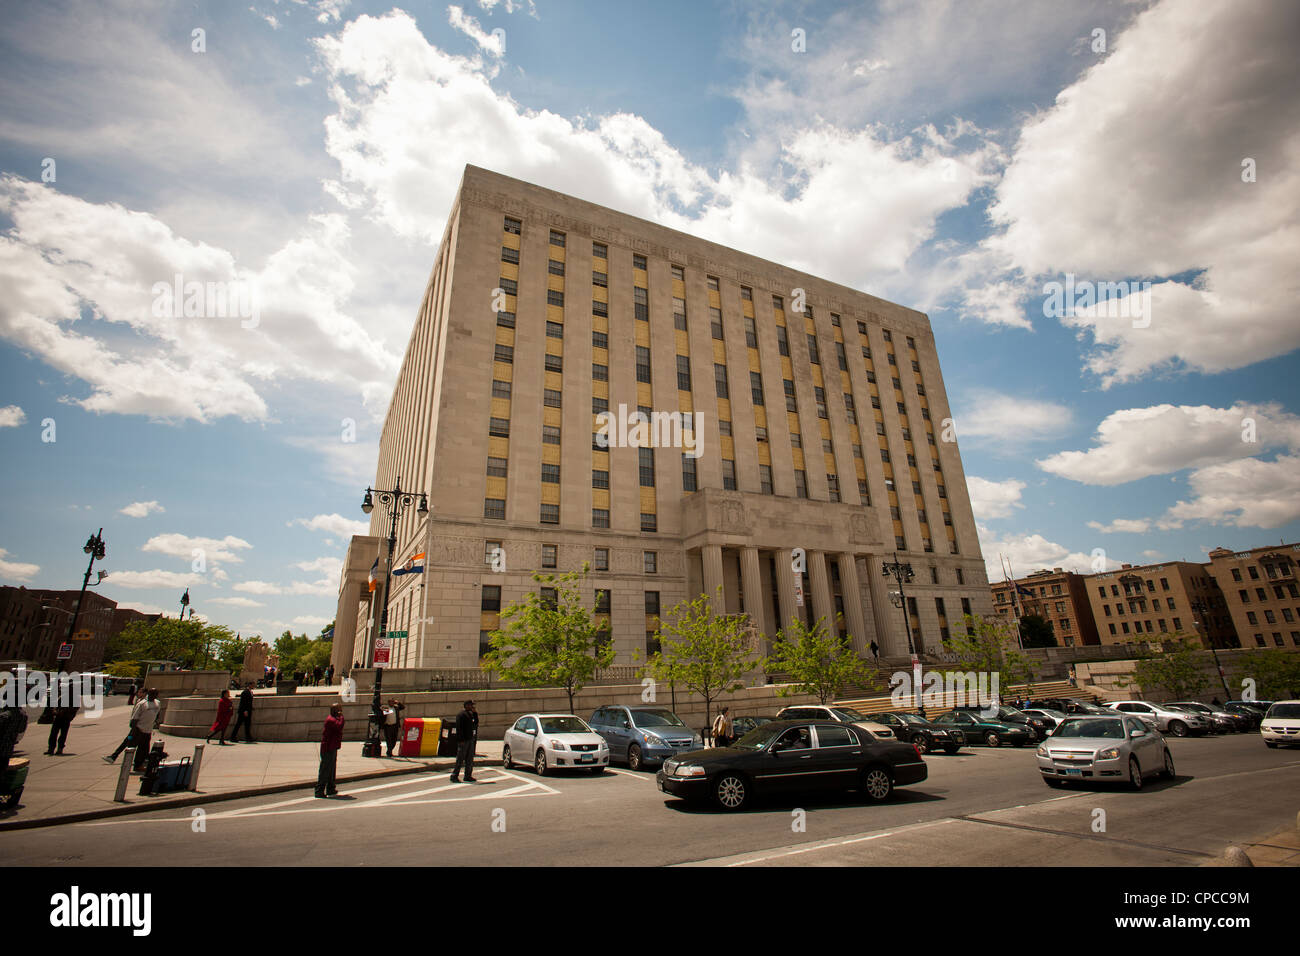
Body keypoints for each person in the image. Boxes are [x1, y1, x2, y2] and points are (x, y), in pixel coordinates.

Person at [104, 688, 160, 770]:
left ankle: (136, 764)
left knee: (142, 749)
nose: (153, 695)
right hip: (138, 730)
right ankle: (119, 759)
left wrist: (155, 723)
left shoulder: (157, 703)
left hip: (147, 731)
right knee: (130, 745)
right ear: (148, 694)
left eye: (155, 694)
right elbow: (134, 719)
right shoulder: (142, 703)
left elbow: (157, 714)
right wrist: (134, 730)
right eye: (152, 693)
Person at [315, 703, 345, 799]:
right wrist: (342, 717)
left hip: (333, 747)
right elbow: (339, 726)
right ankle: (319, 790)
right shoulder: (331, 720)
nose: (341, 711)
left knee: (331, 769)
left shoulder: (334, 718)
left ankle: (331, 788)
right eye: (339, 709)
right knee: (325, 769)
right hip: (328, 748)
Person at [450, 700, 478, 782]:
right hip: (463, 740)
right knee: (460, 759)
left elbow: (476, 723)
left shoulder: (471, 714)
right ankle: (454, 775)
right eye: (471, 705)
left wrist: (475, 713)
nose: (472, 707)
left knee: (469, 759)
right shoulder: (461, 715)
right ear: (466, 705)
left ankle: (468, 775)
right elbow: (459, 728)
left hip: (470, 739)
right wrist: (460, 740)